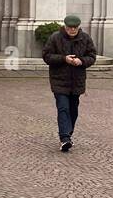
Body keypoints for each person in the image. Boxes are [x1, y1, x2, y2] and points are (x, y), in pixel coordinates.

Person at [42, 14, 98, 152]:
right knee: (63, 108)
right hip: (59, 80)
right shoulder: (55, 38)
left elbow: (92, 56)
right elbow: (46, 56)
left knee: (73, 110)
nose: (72, 30)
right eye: (69, 28)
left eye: (75, 28)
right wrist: (63, 59)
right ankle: (64, 138)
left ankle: (68, 133)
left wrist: (82, 61)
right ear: (65, 27)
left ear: (78, 27)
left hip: (77, 81)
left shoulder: (85, 38)